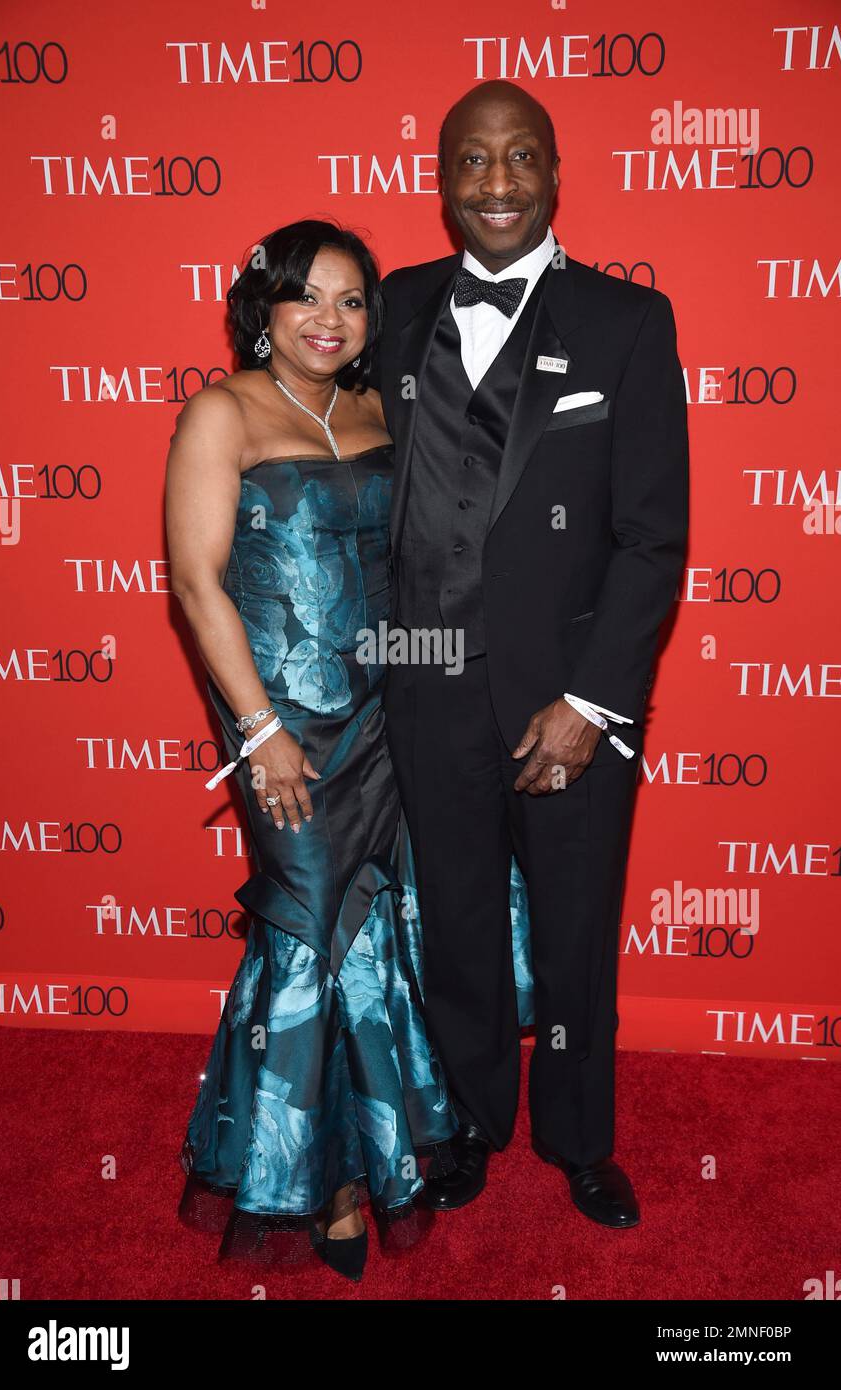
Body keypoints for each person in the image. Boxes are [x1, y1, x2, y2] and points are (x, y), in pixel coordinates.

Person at [375, 81, 689, 1226]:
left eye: (518, 158)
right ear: (443, 179)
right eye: (471, 160)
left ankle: (577, 1138)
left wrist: (591, 703)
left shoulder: (624, 322)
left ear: (554, 174)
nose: (495, 182)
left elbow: (652, 538)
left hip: (565, 701)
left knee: (571, 930)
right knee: (452, 921)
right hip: (424, 689)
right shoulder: (396, 309)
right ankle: (467, 1121)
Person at [165, 219, 459, 1283]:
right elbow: (197, 583)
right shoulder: (221, 412)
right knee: (305, 929)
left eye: (349, 301)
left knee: (370, 930)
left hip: (387, 711)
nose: (328, 321)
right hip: (282, 722)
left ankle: (370, 1158)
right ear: (265, 308)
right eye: (306, 298)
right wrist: (259, 734)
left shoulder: (378, 409)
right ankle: (310, 1179)